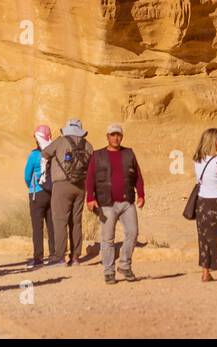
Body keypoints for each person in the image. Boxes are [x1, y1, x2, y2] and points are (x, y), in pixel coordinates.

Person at [86, 123, 145, 284]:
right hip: (106, 203)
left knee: (132, 233)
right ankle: (109, 271)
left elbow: (138, 176)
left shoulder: (129, 153)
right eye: (112, 135)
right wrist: (90, 198)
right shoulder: (97, 155)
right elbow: (90, 178)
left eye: (118, 135)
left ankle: (125, 265)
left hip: (127, 202)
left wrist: (141, 194)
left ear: (122, 136)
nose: (115, 137)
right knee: (107, 239)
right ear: (107, 137)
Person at [41, 119, 93, 267]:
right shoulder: (88, 145)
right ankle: (75, 257)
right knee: (76, 222)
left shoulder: (60, 141)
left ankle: (59, 257)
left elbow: (45, 153)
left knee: (59, 221)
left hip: (61, 185)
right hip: (80, 187)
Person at [191, 128, 217, 282]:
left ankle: (205, 272)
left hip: (202, 202)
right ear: (214, 141)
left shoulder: (197, 160)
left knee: (203, 238)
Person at [24, 125, 54, 269]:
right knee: (52, 225)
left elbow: (27, 176)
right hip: (52, 192)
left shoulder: (34, 155)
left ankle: (38, 257)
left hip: (36, 193)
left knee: (38, 227)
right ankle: (54, 255)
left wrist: (32, 187)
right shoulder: (53, 154)